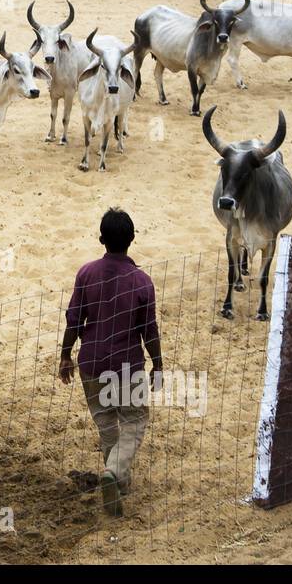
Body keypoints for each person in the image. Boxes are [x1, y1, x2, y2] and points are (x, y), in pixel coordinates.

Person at [59, 207, 163, 517]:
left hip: (91, 363)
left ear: (101, 239)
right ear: (132, 239)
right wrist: (158, 364)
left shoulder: (86, 273)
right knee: (134, 421)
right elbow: (149, 331)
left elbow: (74, 320)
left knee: (106, 424)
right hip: (127, 366)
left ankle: (118, 480)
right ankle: (115, 473)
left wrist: (65, 355)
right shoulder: (142, 282)